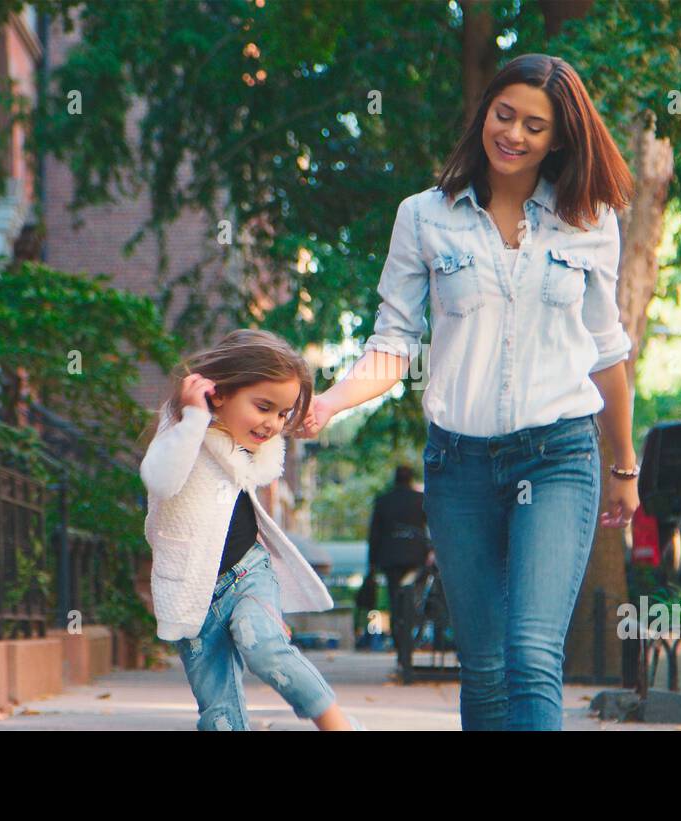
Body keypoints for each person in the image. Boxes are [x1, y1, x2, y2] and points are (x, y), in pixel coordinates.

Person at [301, 54, 640, 730]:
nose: (512, 134)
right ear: (484, 112)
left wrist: (624, 465)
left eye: (534, 126)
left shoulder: (589, 219)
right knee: (483, 666)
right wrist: (330, 402)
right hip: (459, 467)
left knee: (532, 652)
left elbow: (607, 349)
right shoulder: (424, 217)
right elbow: (393, 342)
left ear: (559, 138)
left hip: (558, 456)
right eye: (503, 114)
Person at [138, 329, 363, 731]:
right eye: (264, 406)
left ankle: (336, 723)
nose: (273, 423)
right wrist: (194, 417)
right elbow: (161, 480)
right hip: (192, 595)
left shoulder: (249, 446)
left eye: (282, 413)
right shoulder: (181, 432)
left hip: (248, 574)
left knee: (264, 645)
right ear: (219, 392)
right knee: (218, 709)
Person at [366, 465, 432, 663]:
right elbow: (431, 527)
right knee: (415, 598)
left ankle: (399, 640)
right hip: (416, 557)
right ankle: (412, 633)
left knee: (396, 600)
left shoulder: (383, 501)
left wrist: (372, 564)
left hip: (390, 557)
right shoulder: (420, 500)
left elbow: (374, 535)